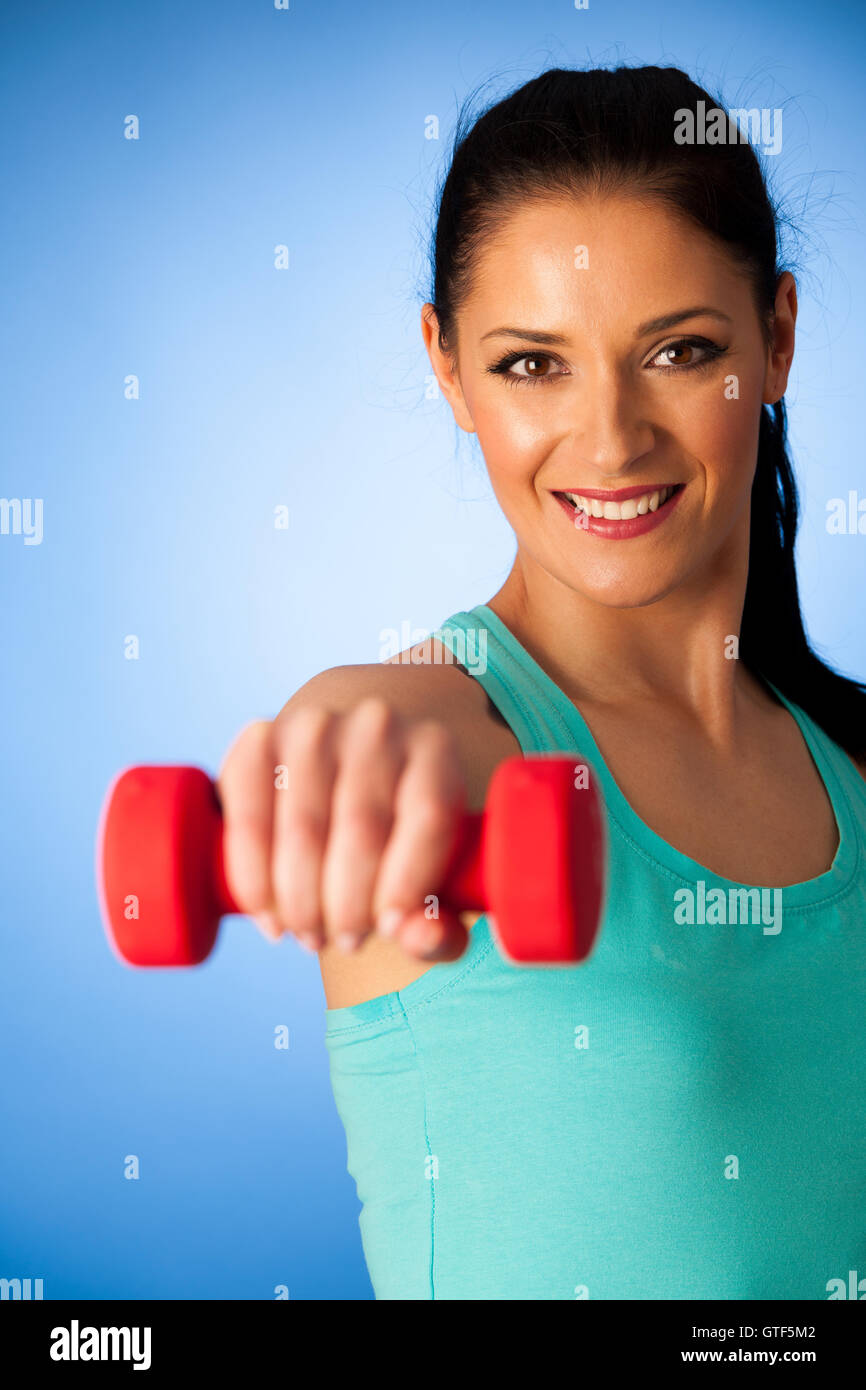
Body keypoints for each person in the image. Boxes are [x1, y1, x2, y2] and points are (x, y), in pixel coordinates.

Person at [216, 65, 866, 1299]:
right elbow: (348, 733)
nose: (610, 437)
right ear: (445, 365)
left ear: (776, 339)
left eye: (678, 350)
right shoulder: (449, 733)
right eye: (531, 365)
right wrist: (329, 766)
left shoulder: (850, 758)